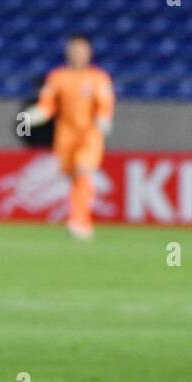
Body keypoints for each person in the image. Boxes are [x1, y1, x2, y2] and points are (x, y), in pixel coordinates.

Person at [21, 34, 115, 239]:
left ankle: (79, 222)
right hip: (65, 135)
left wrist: (104, 120)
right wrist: (32, 116)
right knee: (74, 178)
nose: (77, 54)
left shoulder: (99, 77)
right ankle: (81, 220)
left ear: (89, 52)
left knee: (83, 170)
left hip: (89, 134)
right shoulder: (57, 77)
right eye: (73, 50)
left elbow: (105, 104)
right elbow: (48, 105)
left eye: (81, 50)